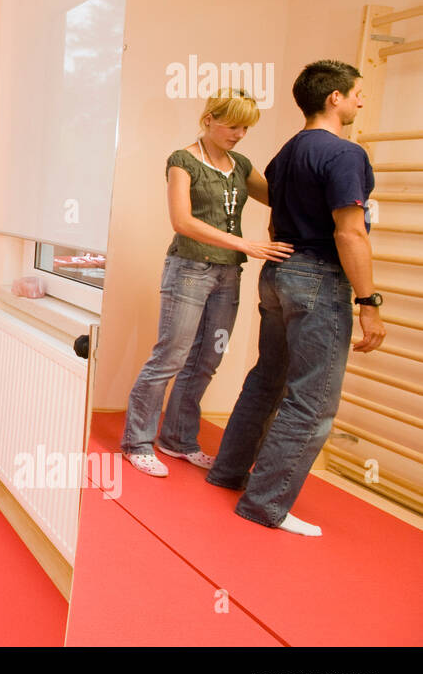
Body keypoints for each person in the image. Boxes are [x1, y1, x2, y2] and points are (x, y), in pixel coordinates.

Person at [207, 60, 386, 536]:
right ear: (335, 98)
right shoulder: (346, 154)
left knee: (268, 379)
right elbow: (350, 234)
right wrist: (369, 303)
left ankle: (228, 472)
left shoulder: (287, 153)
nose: (360, 101)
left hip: (279, 274)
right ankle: (264, 504)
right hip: (319, 279)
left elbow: (274, 222)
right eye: (357, 93)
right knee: (312, 401)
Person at [121, 89, 293, 476]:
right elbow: (182, 221)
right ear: (209, 119)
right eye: (233, 125)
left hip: (228, 274)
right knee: (171, 356)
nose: (239, 134)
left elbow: (280, 198)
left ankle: (178, 440)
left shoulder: (241, 165)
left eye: (246, 127)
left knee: (207, 360)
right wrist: (244, 243)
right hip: (189, 270)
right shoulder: (182, 161)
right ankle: (137, 442)